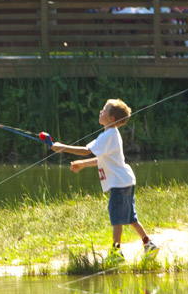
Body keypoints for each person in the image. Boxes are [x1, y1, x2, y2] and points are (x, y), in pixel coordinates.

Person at [52, 99, 157, 258]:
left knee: (116, 218)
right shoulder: (111, 135)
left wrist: (63, 148)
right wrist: (83, 164)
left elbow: (87, 150)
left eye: (103, 110)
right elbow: (102, 159)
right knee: (130, 218)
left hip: (120, 184)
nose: (100, 112)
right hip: (125, 180)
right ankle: (148, 243)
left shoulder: (109, 135)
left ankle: (116, 252)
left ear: (111, 118)